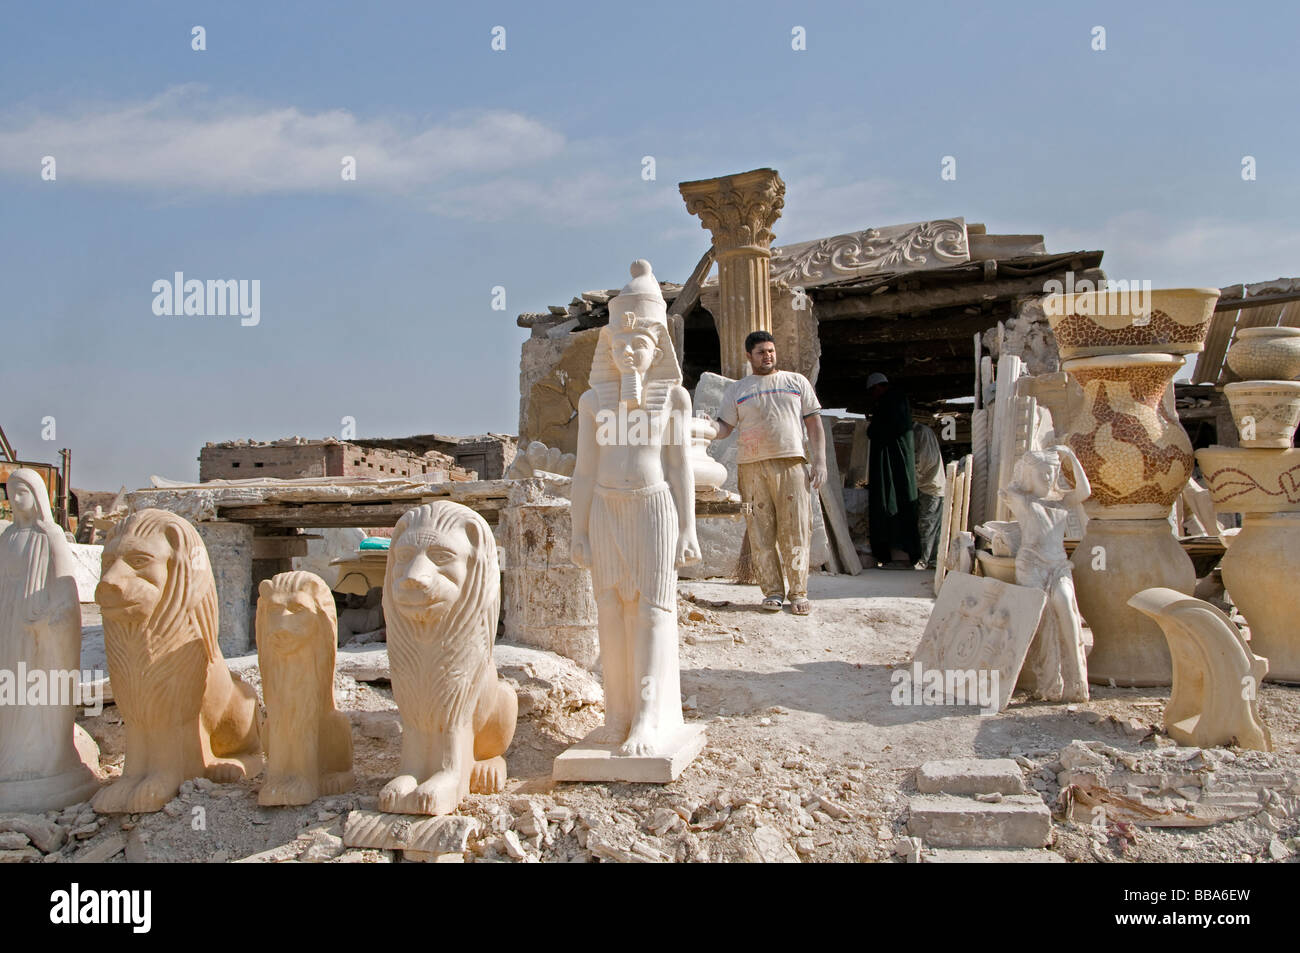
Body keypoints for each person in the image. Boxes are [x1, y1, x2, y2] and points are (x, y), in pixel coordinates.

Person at [713, 330, 826, 616]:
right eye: (761, 352)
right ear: (749, 356)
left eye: (771, 351)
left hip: (791, 463)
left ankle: (798, 592)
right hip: (751, 467)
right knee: (760, 531)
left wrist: (820, 462)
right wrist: (707, 426)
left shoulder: (795, 382)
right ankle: (773, 592)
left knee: (796, 529)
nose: (768, 356)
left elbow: (813, 424)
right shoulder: (738, 389)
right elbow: (724, 428)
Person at [865, 372, 920, 568]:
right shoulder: (896, 404)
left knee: (893, 503)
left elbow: (876, 430)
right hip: (895, 465)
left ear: (879, 388)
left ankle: (899, 553)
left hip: (892, 468)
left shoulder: (891, 404)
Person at [913, 421, 946, 570]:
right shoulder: (921, 432)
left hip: (931, 486)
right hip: (927, 485)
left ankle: (926, 560)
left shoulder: (922, 433)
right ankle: (932, 560)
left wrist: (913, 477)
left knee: (928, 523)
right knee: (931, 523)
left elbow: (926, 460)